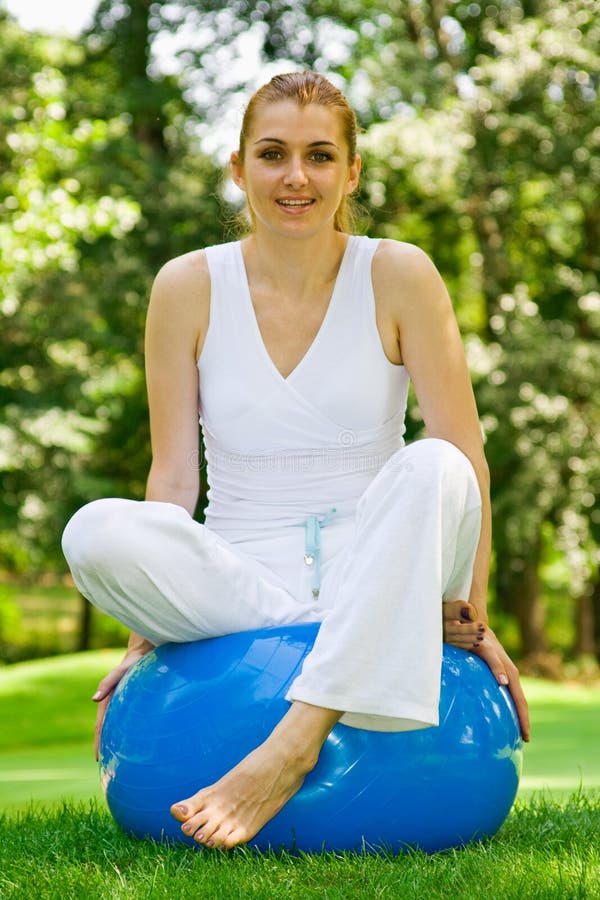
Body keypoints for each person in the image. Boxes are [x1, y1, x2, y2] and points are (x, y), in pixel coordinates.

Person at [62, 70, 530, 851]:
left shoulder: (399, 273)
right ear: (238, 168)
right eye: (273, 154)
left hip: (387, 547)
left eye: (319, 156)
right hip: (244, 580)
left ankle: (291, 745)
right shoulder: (187, 286)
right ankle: (361, 639)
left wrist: (474, 617)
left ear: (350, 172)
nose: (295, 177)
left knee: (434, 464)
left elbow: (467, 453)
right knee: (94, 530)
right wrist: (146, 629)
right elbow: (174, 480)